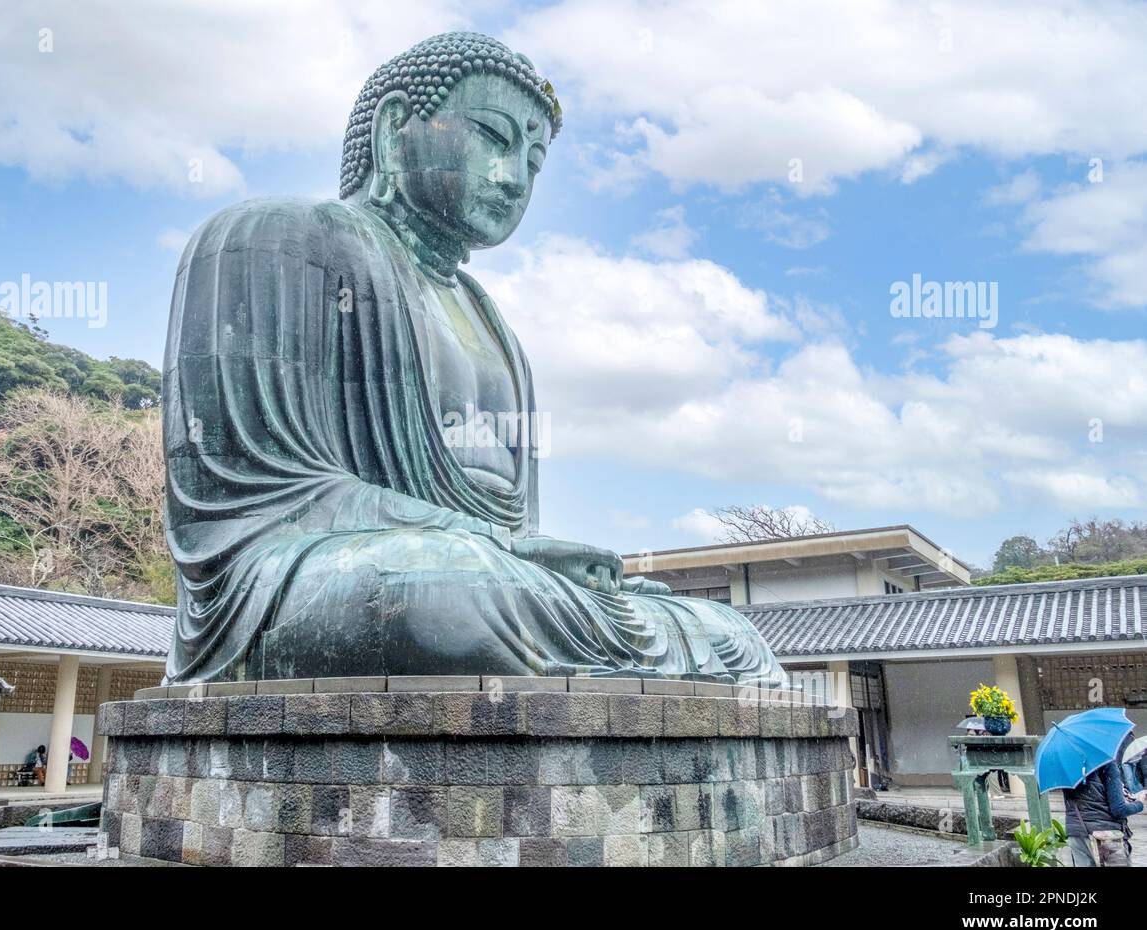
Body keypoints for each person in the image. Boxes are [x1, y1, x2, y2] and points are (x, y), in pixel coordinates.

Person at [160, 31, 788, 687]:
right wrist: (498, 549)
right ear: (395, 127)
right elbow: (247, 498)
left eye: (534, 162)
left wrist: (531, 560)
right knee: (450, 600)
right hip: (303, 578)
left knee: (730, 634)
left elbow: (516, 529)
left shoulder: (495, 327)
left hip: (485, 569)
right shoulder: (274, 238)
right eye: (493, 136)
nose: (513, 178)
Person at [1064, 735, 1146, 866]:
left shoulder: (1067, 767)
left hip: (1076, 833)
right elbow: (1119, 809)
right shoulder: (1107, 763)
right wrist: (1139, 803)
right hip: (1105, 834)